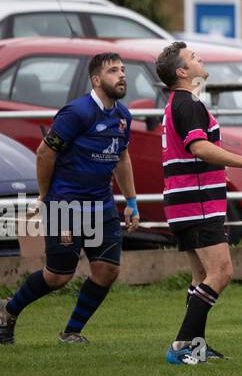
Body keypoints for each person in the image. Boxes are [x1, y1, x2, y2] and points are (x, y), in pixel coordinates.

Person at [0, 53, 140, 345]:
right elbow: (44, 153)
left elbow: (122, 157)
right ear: (97, 80)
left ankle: (72, 331)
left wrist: (131, 201)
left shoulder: (123, 116)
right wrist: (44, 196)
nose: (122, 75)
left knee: (107, 270)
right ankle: (8, 310)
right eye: (114, 71)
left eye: (123, 70)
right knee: (58, 276)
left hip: (102, 205)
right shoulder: (76, 113)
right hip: (66, 205)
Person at [155, 41, 242, 364]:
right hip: (197, 203)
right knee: (222, 272)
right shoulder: (188, 104)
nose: (200, 59)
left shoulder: (179, 103)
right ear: (182, 72)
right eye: (193, 58)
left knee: (200, 277)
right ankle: (182, 345)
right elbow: (198, 147)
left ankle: (195, 346)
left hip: (185, 203)